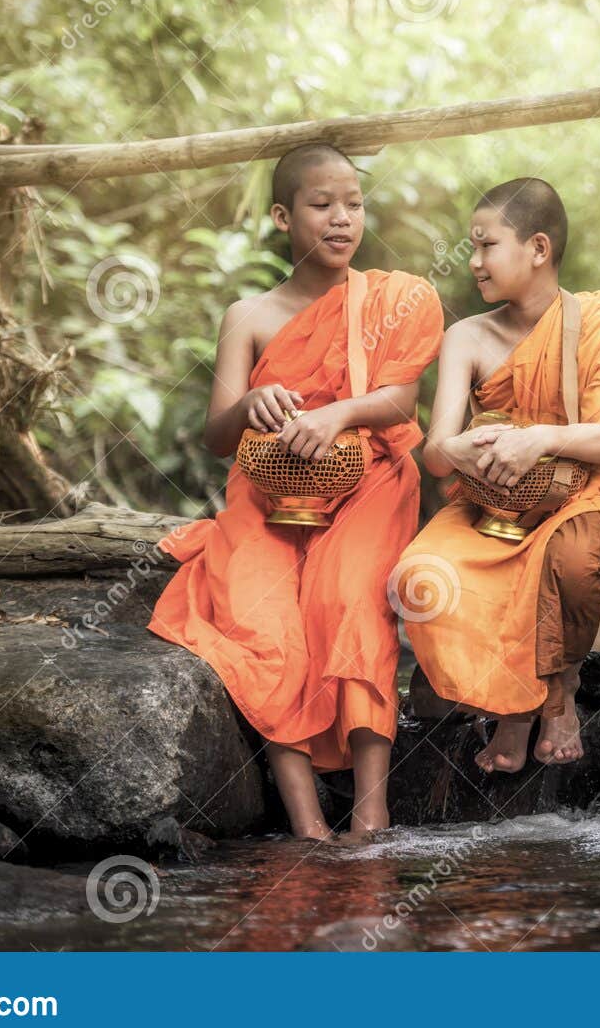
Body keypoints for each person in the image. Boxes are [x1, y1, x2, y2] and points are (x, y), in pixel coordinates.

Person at [149, 143, 443, 838]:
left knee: (348, 601)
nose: (341, 220)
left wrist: (338, 412)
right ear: (283, 216)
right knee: (265, 624)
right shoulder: (247, 316)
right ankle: (307, 826)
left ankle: (372, 814)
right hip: (265, 492)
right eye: (321, 205)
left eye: (354, 204)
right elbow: (219, 435)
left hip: (367, 481)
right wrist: (251, 402)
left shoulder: (388, 302)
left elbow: (400, 404)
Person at [396, 178, 600, 772]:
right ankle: (509, 705)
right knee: (418, 575)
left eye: (486, 245)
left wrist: (538, 439)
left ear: (538, 248)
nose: (473, 261)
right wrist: (463, 450)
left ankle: (558, 693)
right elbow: (436, 452)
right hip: (489, 506)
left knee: (567, 563)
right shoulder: (466, 336)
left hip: (585, 494)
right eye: (472, 247)